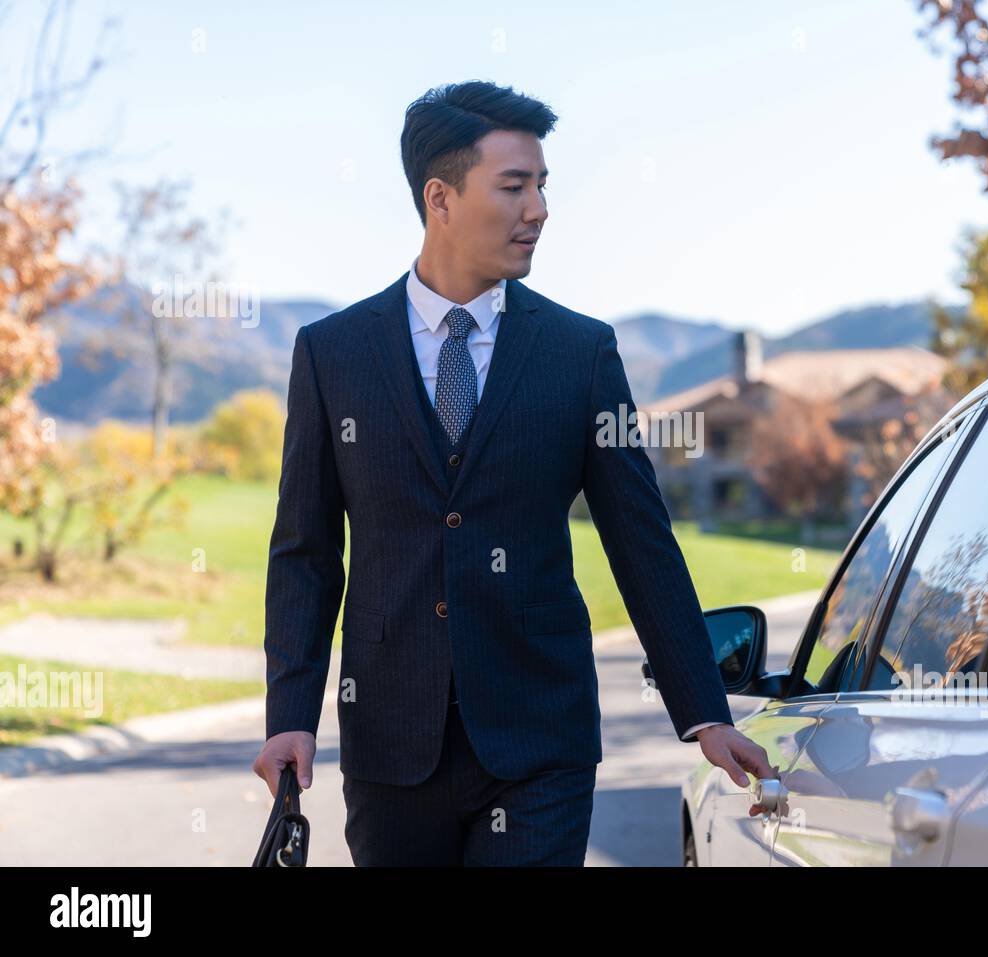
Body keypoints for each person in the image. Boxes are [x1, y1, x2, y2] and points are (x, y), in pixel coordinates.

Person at [251, 80, 776, 865]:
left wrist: (703, 710)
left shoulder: (580, 354)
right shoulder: (333, 354)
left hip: (541, 746)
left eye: (542, 185)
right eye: (514, 185)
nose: (538, 208)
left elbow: (640, 538)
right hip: (392, 747)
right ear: (441, 198)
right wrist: (290, 712)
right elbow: (305, 549)